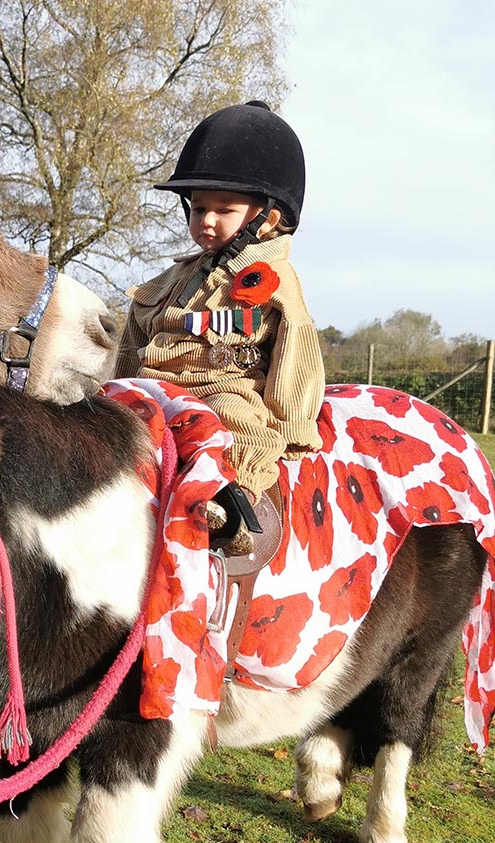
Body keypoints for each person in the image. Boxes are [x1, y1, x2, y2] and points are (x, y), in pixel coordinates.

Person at [121, 100, 324, 553]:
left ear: (268, 220)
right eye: (198, 209)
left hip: (221, 391)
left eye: (223, 209)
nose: (206, 221)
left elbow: (296, 351)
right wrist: (116, 388)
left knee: (234, 421)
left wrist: (292, 424)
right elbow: (135, 335)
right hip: (154, 389)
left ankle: (232, 503)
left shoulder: (275, 282)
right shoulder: (172, 279)